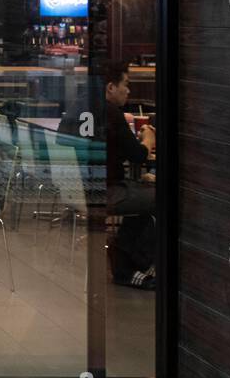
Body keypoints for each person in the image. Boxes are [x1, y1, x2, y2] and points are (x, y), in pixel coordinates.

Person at [59, 60, 157, 289]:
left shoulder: (76, 106)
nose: (129, 90)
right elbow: (138, 156)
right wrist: (148, 139)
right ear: (111, 87)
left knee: (145, 195)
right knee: (163, 197)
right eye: (126, 84)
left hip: (76, 191)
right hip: (104, 193)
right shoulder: (111, 112)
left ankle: (124, 255)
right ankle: (130, 265)